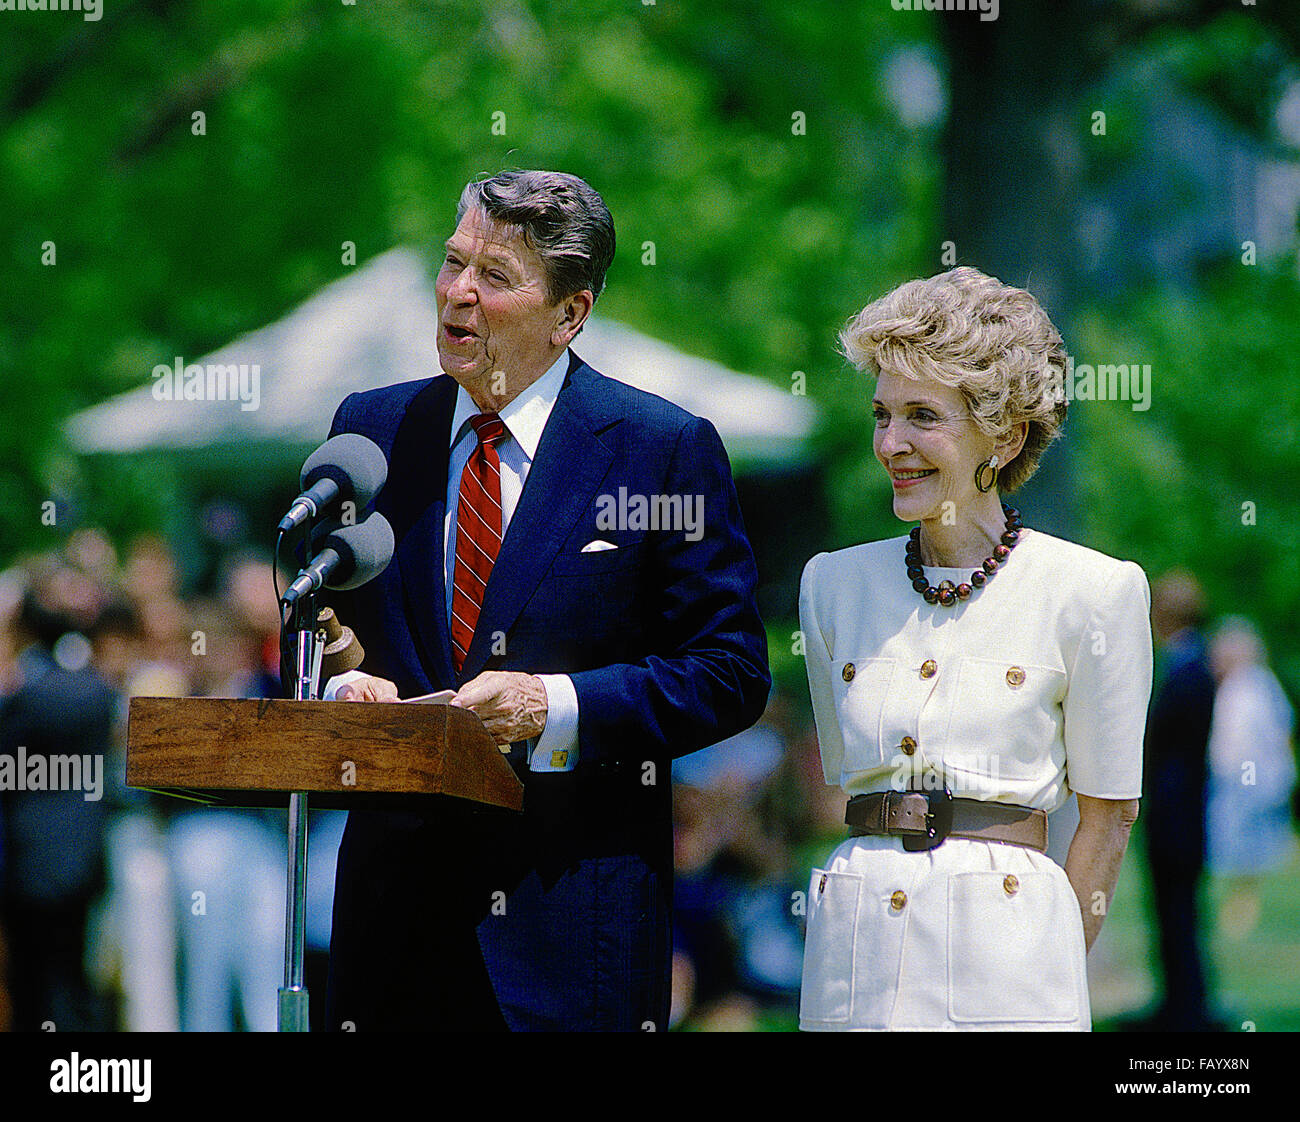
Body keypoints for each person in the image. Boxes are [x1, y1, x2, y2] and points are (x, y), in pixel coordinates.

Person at [320, 169, 770, 1031]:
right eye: (453, 264)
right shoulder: (370, 432)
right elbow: (330, 625)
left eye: (495, 277)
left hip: (567, 937)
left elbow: (729, 671)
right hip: (389, 936)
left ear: (570, 314)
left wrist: (548, 704)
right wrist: (346, 690)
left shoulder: (658, 450)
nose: (458, 294)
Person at [798, 266, 1151, 1030]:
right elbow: (842, 782)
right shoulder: (830, 586)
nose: (891, 443)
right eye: (881, 414)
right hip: (850, 973)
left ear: (1005, 433)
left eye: (923, 416)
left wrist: (1048, 964)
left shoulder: (1093, 592)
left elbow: (1109, 815)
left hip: (1008, 976)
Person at [1140, 570, 1220, 1030]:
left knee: (1179, 916)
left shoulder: (1189, 669)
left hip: (1177, 819)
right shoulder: (1193, 664)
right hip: (1182, 817)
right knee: (1174, 915)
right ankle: (1177, 1003)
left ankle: (1187, 1011)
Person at [1205, 617, 1295, 940]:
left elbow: (1262, 739)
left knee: (1244, 847)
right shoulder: (1245, 685)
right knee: (1236, 847)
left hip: (1248, 782)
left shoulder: (1252, 686)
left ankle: (1242, 908)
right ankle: (1239, 906)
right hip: (1243, 780)